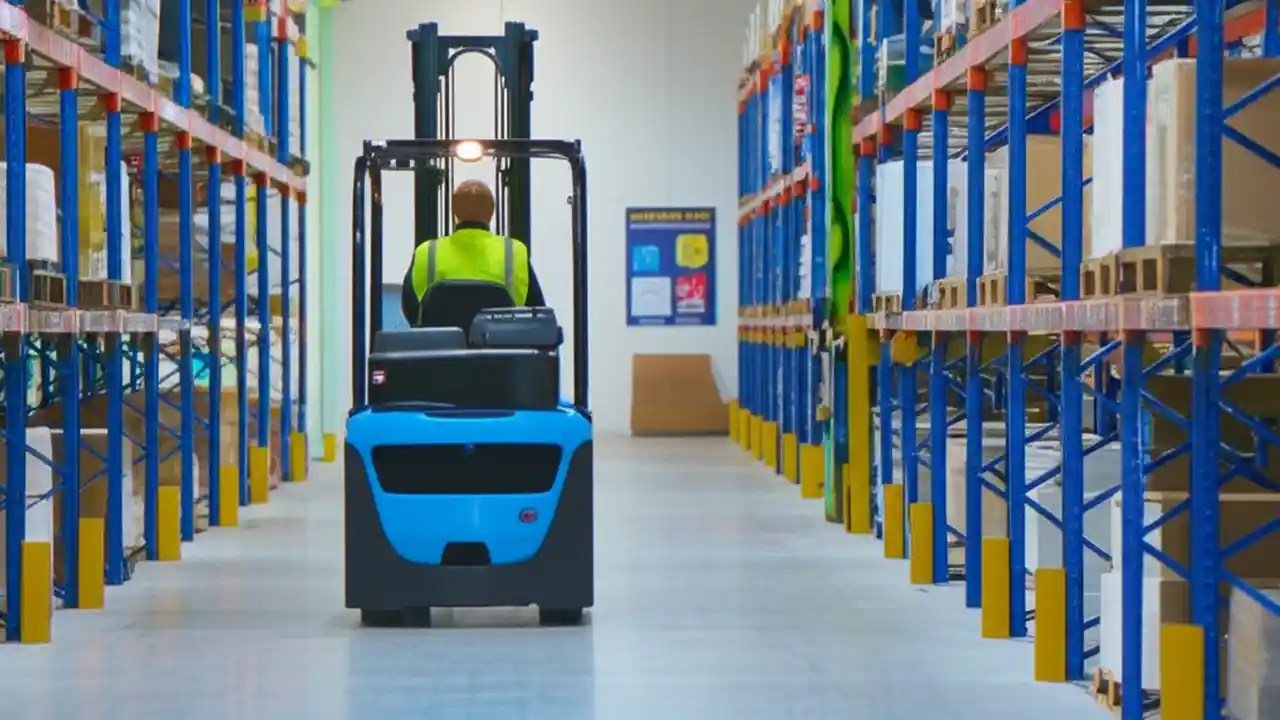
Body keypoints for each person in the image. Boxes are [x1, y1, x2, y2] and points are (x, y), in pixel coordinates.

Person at [400, 179, 546, 326]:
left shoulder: (427, 252)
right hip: (501, 346)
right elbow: (537, 312)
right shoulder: (514, 251)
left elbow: (410, 308)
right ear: (491, 213)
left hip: (440, 346)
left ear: (454, 212)